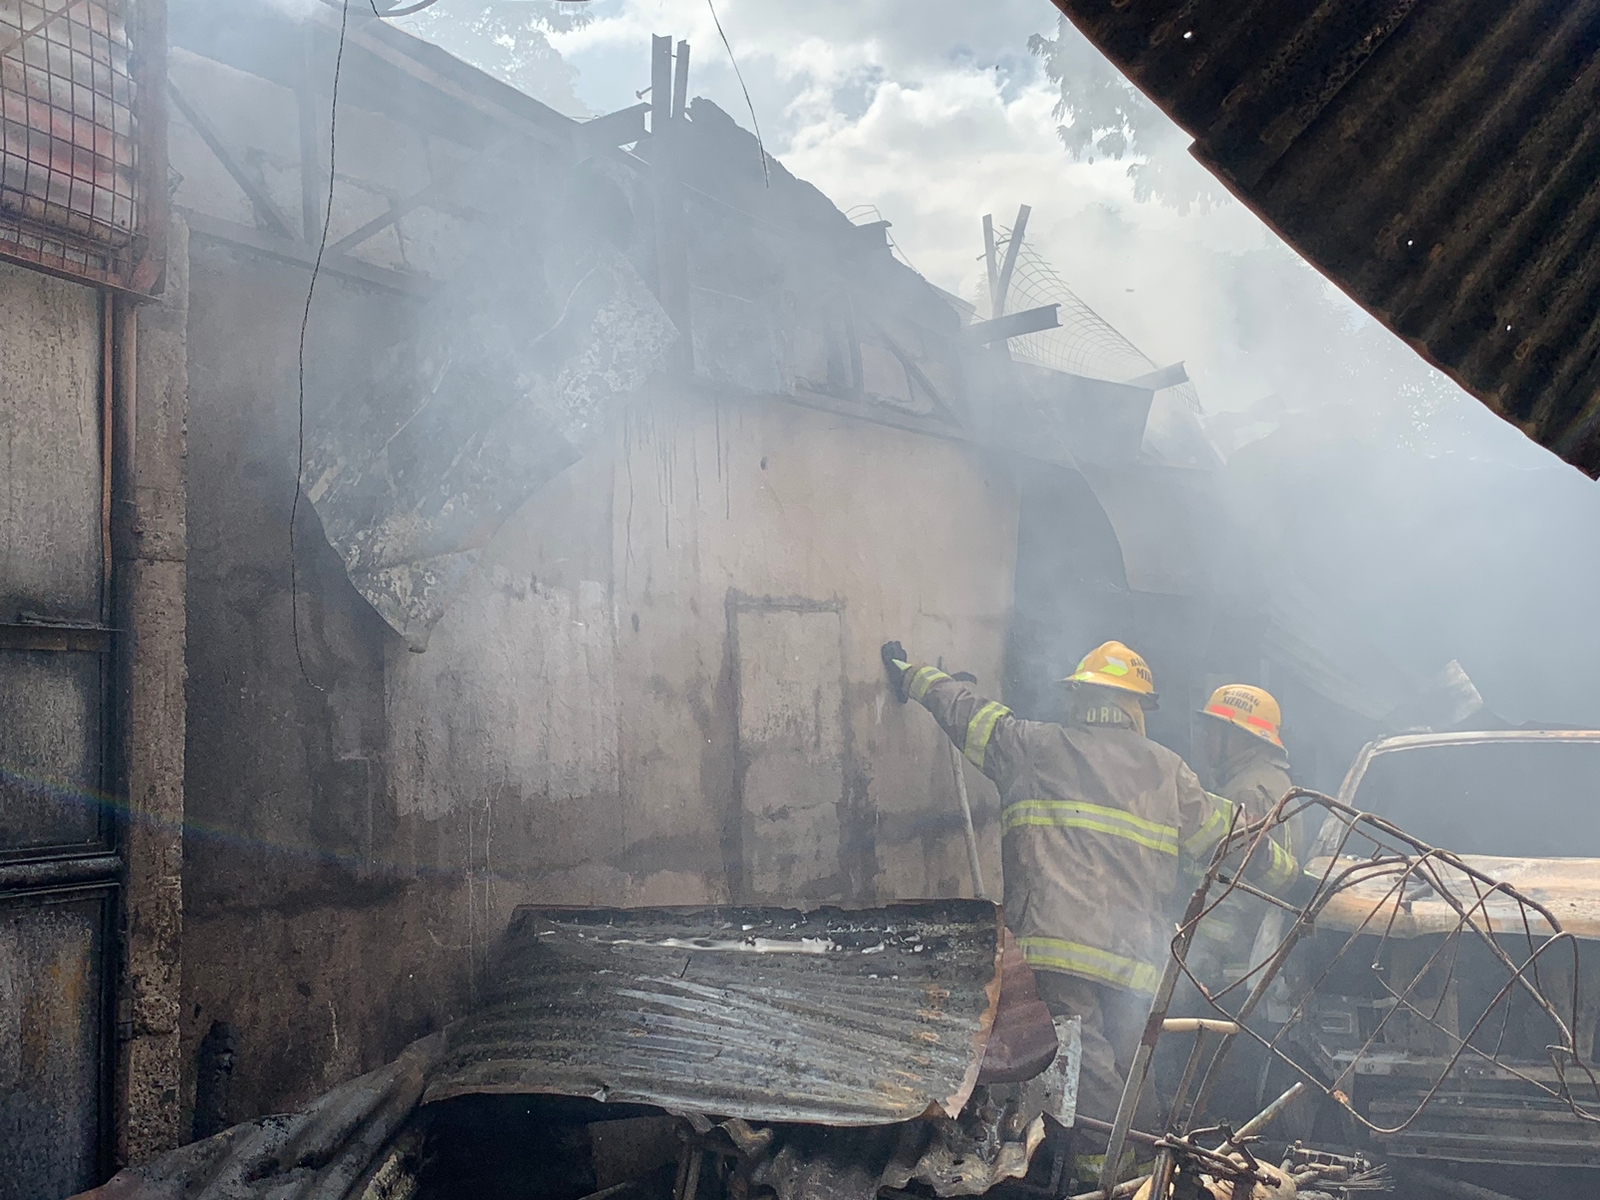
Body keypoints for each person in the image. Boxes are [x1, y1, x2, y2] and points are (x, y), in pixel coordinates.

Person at [880, 639, 1296, 1165]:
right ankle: (1151, 1170)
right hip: (1137, 963)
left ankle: (1102, 1174)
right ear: (1135, 709)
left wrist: (914, 675)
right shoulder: (1168, 772)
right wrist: (1294, 874)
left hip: (1058, 955)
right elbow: (1236, 839)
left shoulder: (1031, 747)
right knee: (1129, 1071)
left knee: (1089, 1074)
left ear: (1077, 698)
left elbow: (967, 713)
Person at [1189, 685, 1297, 986]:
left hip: (1229, 964)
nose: (1204, 739)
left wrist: (1200, 952)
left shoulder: (1246, 791)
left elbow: (1239, 887)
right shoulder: (1277, 782)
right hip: (1251, 957)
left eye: (1213, 730)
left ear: (1237, 737)